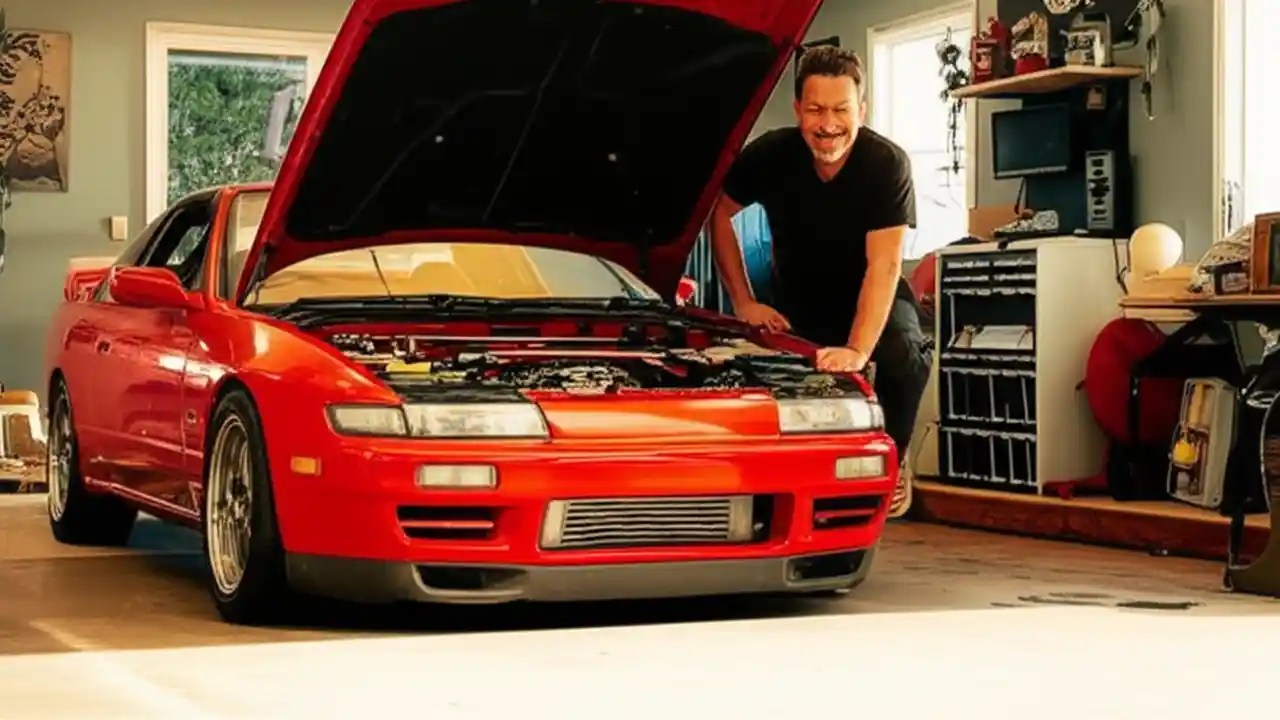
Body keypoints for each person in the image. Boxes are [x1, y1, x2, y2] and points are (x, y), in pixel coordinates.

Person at [709, 46, 931, 479]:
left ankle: (892, 463)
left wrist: (857, 350)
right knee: (770, 370)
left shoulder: (887, 165)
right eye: (815, 110)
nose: (828, 125)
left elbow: (883, 268)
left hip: (872, 292)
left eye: (841, 110)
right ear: (797, 110)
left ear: (861, 110)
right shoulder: (770, 155)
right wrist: (743, 301)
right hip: (799, 297)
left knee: (906, 352)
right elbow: (719, 213)